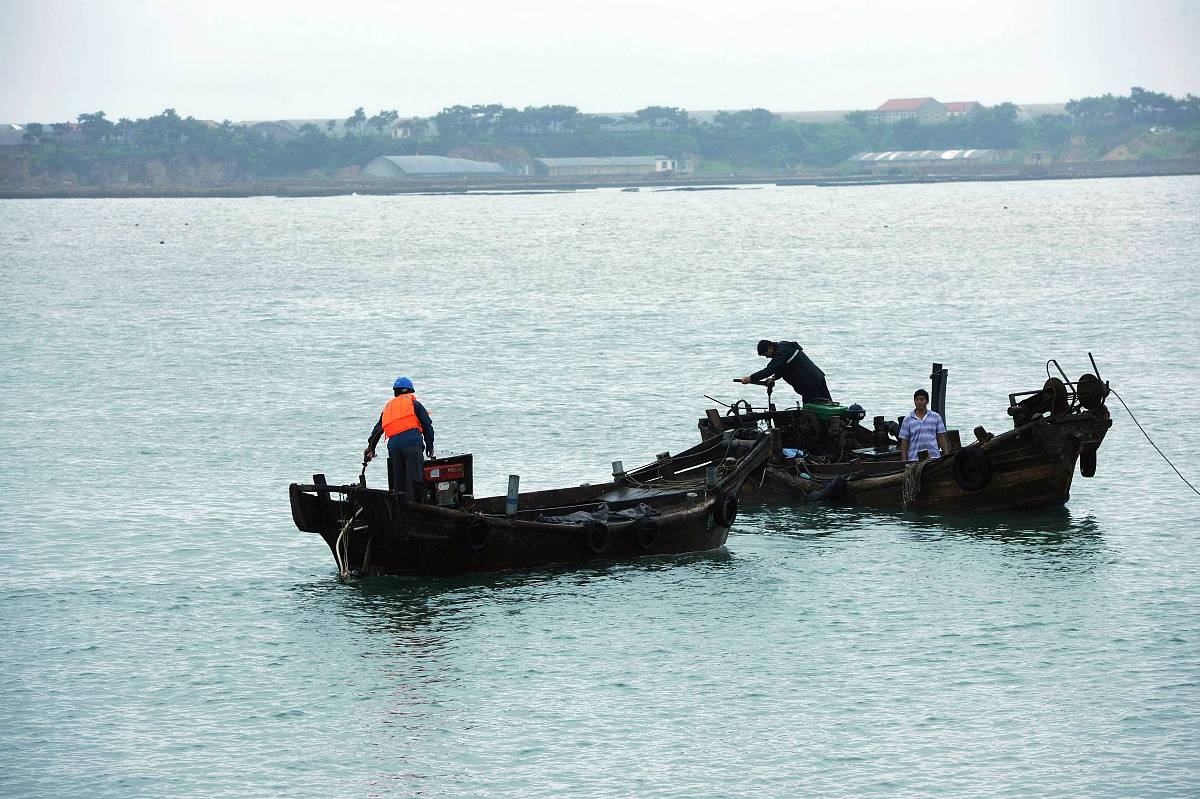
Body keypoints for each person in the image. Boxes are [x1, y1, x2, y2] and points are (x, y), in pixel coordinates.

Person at [364, 376, 435, 500]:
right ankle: (416, 511)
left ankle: (400, 510)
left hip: (395, 449)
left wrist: (371, 449)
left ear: (395, 392)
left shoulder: (388, 408)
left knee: (399, 484)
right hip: (413, 447)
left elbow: (377, 432)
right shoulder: (414, 404)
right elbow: (427, 425)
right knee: (414, 482)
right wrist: (430, 446)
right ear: (410, 390)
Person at [739, 340, 832, 404]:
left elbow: (769, 370)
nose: (766, 357)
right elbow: (785, 366)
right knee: (829, 405)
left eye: (765, 354)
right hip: (817, 378)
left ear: (770, 348)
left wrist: (750, 378)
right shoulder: (784, 347)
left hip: (809, 383)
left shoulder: (781, 351)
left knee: (811, 410)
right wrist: (774, 378)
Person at [899, 388, 947, 462]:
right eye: (917, 400)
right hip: (914, 459)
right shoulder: (908, 419)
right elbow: (904, 443)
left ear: (927, 401)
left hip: (934, 457)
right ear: (914, 401)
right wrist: (904, 462)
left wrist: (946, 456)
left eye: (922, 399)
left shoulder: (935, 417)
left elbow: (941, 437)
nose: (919, 402)